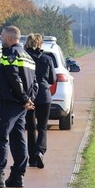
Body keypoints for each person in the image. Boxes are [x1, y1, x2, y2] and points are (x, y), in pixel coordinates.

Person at [0, 25, 35, 188]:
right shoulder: (28, 57)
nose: (1, 39)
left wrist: (23, 97)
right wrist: (28, 99)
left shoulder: (10, 54)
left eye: (2, 36)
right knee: (18, 139)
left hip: (11, 102)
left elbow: (13, 77)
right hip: (21, 105)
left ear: (10, 38)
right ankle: (17, 176)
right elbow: (35, 82)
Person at [24, 33, 56, 169]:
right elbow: (52, 79)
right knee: (42, 127)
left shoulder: (24, 58)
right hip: (44, 95)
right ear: (40, 44)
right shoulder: (47, 59)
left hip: (29, 96)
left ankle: (32, 158)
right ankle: (40, 151)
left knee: (31, 128)